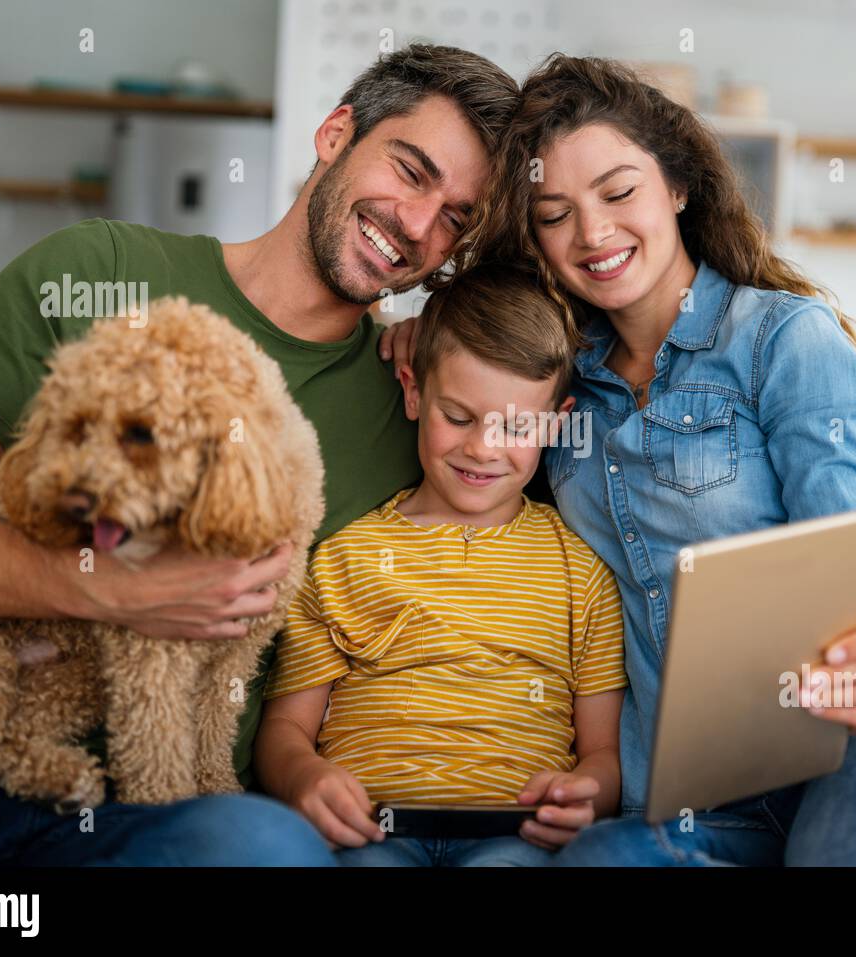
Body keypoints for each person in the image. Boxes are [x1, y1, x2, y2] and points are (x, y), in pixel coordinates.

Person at [0, 44, 519, 866]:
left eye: (456, 219)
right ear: (334, 135)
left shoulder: (417, 407)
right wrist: (111, 590)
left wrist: (452, 337)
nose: (416, 223)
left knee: (262, 847)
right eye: (410, 170)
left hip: (162, 820)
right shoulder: (100, 272)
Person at [381, 53, 856, 866]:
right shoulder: (559, 385)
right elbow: (473, 413)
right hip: (696, 793)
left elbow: (850, 544)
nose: (594, 233)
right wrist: (419, 330)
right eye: (555, 212)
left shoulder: (780, 339)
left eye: (618, 192)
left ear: (676, 187)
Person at [254, 264, 627, 866]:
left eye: (516, 427)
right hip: (374, 833)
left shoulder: (580, 571)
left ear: (555, 423)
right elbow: (285, 732)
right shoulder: (342, 557)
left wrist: (589, 794)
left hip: (514, 840)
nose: (482, 447)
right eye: (458, 417)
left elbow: (603, 754)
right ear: (413, 391)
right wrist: (303, 778)